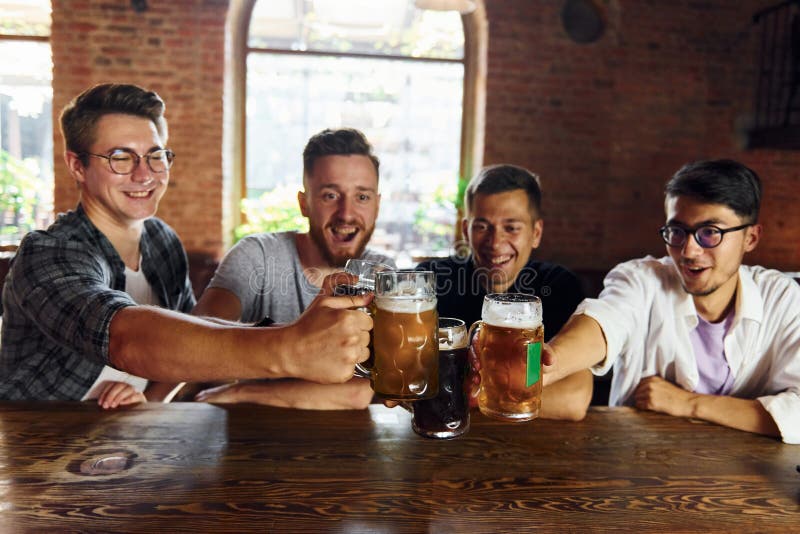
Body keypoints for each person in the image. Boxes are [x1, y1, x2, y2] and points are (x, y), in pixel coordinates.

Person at [0, 83, 372, 407]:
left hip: (123, 442)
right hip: (40, 449)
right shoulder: (47, 254)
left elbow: (189, 345)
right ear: (77, 166)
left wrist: (148, 401)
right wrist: (291, 348)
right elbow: (128, 339)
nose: (144, 174)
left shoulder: (161, 242)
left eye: (155, 156)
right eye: (121, 158)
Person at [543, 159, 800, 443]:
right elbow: (607, 320)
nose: (688, 251)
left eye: (710, 232)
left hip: (749, 468)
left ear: (750, 237)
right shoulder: (642, 279)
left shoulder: (781, 297)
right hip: (641, 461)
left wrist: (687, 403)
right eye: (677, 231)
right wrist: (547, 364)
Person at [190, 128, 394, 409]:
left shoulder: (383, 272)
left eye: (362, 197)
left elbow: (359, 392)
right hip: (249, 433)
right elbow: (197, 343)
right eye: (330, 195)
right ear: (304, 204)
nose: (346, 213)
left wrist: (244, 392)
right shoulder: (257, 255)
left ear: (377, 206)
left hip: (344, 436)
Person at [416, 164, 593, 421]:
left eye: (511, 228)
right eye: (482, 227)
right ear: (466, 231)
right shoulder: (432, 279)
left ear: (536, 233)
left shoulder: (557, 285)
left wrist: (469, 395)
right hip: (443, 432)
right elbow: (412, 377)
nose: (495, 243)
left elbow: (574, 398)